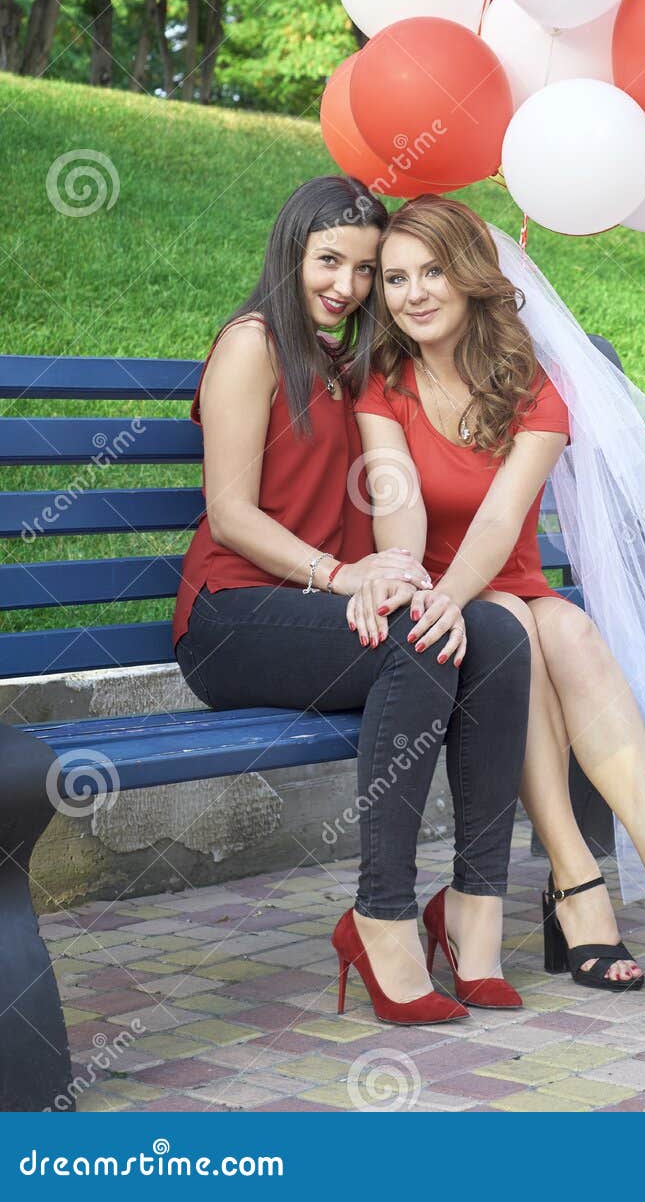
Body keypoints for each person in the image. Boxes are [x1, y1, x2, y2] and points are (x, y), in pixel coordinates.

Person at [354, 194, 645, 1005]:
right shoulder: (384, 386)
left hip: (497, 583)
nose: (414, 294)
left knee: (570, 634)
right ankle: (578, 883)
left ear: (471, 278)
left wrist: (455, 594)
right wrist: (428, 586)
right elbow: (397, 504)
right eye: (394, 278)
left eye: (432, 272)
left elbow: (502, 518)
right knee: (515, 630)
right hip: (436, 598)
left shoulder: (532, 386)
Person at [172, 176, 531, 1026]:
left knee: (491, 633)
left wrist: (394, 575)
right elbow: (230, 512)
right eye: (329, 261)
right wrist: (343, 576)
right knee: (421, 641)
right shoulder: (253, 344)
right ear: (291, 251)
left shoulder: (353, 365)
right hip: (233, 617)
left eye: (367, 270)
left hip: (331, 613)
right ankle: (382, 916)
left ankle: (474, 905)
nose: (348, 286)